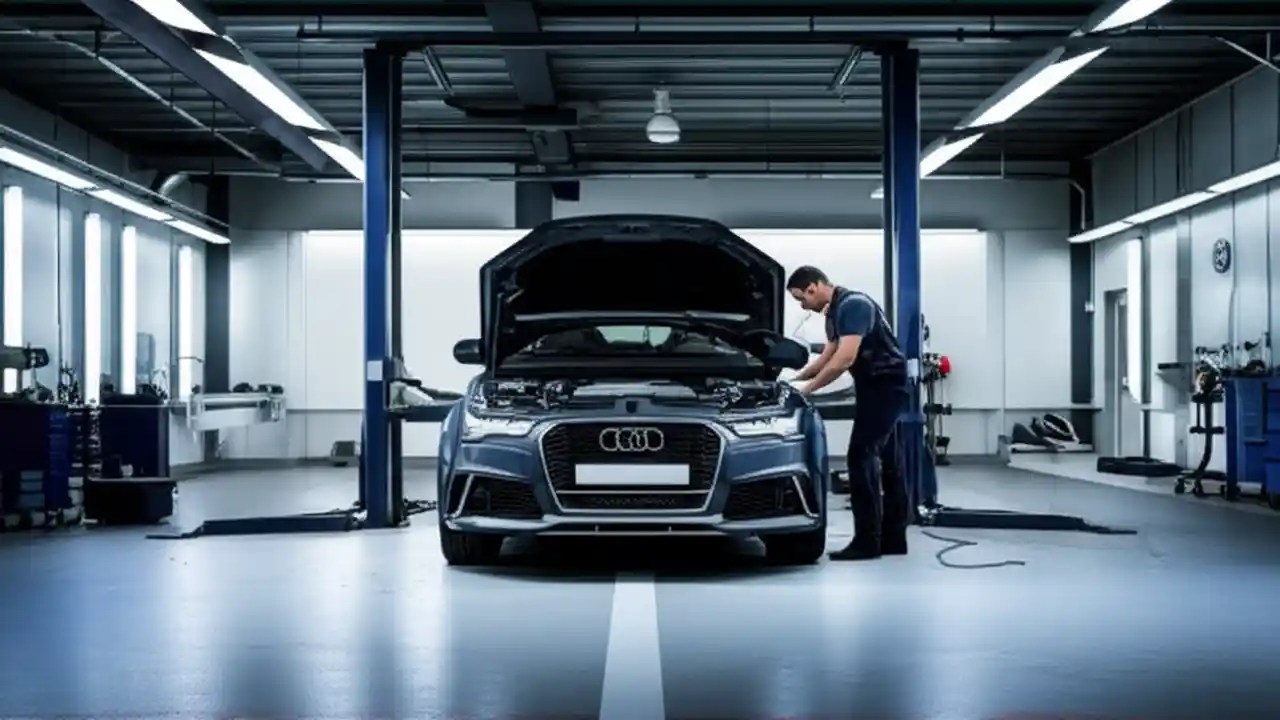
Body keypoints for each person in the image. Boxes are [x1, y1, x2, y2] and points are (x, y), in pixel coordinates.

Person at [787, 266, 910, 560]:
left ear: (813, 288)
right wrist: (795, 380)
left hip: (886, 385)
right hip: (874, 386)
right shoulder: (835, 312)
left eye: (801, 299)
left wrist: (809, 390)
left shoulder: (854, 305)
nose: (803, 306)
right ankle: (893, 540)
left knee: (861, 456)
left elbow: (844, 359)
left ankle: (867, 542)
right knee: (890, 461)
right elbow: (828, 354)